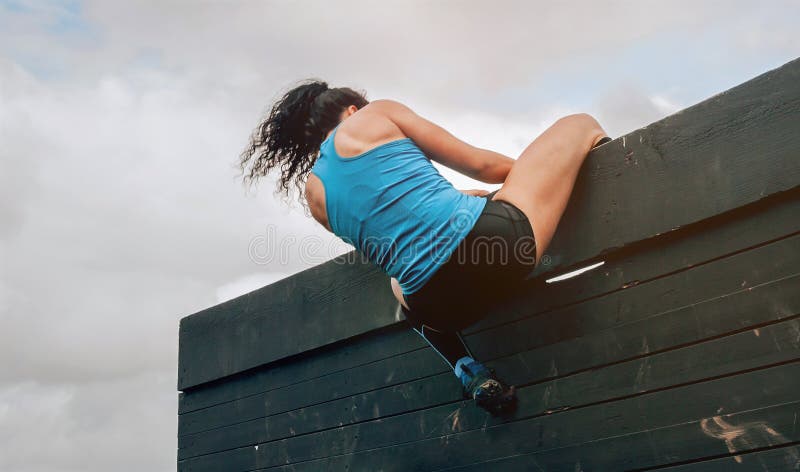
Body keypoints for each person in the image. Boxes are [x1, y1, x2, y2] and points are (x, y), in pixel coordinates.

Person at [239, 80, 611, 415]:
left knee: (397, 284)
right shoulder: (375, 114)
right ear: (353, 110)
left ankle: (467, 369)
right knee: (580, 125)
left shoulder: (314, 193)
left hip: (440, 307)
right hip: (496, 248)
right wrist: (543, 173)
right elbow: (482, 165)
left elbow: (399, 238)